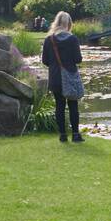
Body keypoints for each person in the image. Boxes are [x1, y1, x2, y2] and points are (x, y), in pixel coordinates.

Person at [41, 11, 84, 143]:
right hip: (69, 76)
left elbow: (45, 61)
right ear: (69, 24)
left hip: (55, 77)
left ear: (56, 23)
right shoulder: (72, 39)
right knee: (73, 105)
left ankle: (62, 135)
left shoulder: (49, 40)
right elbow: (78, 59)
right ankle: (76, 134)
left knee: (59, 106)